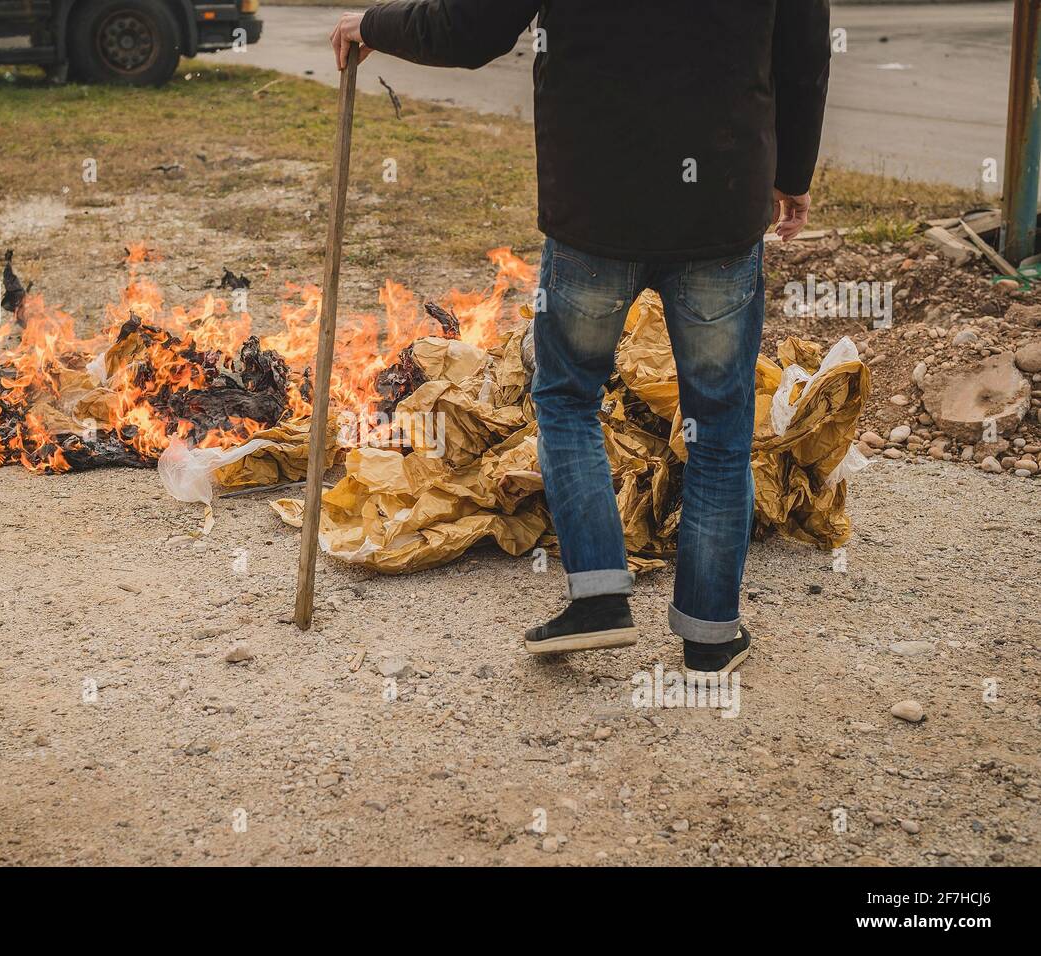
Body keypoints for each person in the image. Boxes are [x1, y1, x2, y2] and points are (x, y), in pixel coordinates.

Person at [330, 1, 830, 676]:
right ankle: (711, 633)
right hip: (721, 201)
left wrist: (374, 25)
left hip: (597, 206)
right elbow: (805, 51)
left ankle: (598, 600)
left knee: (566, 400)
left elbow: (469, 27)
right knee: (718, 422)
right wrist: (792, 175)